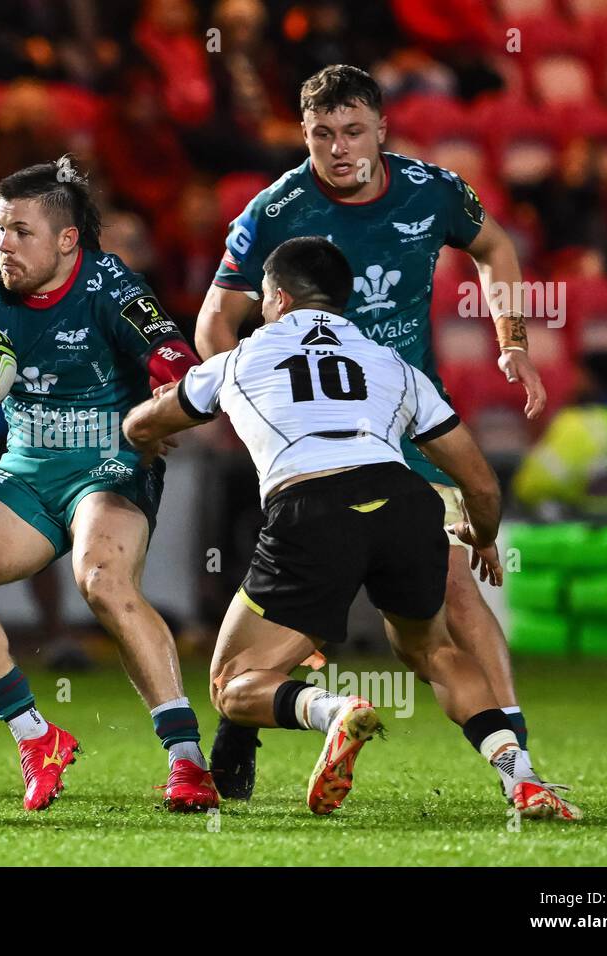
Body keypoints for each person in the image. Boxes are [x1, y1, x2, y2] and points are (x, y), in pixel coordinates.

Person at [126, 237, 581, 821]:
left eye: (264, 297)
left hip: (312, 509)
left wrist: (143, 433)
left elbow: (148, 422)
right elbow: (481, 481)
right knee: (435, 650)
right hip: (404, 504)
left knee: (233, 685)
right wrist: (483, 534)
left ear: (279, 298)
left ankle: (333, 712)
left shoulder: (240, 359)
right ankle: (521, 776)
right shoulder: (391, 363)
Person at [196, 64, 549, 799]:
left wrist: (512, 339)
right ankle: (245, 723)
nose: (339, 149)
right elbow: (214, 324)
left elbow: (496, 249)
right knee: (306, 598)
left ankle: (517, 755)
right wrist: (258, 406)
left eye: (354, 131)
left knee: (454, 587)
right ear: (303, 134)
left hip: (409, 422)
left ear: (382, 129)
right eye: (322, 134)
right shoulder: (275, 209)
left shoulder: (432, 190)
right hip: (318, 435)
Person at [0, 157, 218, 812]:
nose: (3, 246)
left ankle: (187, 762)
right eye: (0, 229)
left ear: (68, 240)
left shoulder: (110, 286)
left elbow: (181, 367)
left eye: (21, 232)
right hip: (27, 464)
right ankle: (36, 737)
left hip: (109, 463)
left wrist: (162, 409)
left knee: (102, 579)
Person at [513, 350, 607, 518]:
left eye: (580, 377)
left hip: (577, 525)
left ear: (592, 381)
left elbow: (530, 487)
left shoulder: (575, 424)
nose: (574, 384)